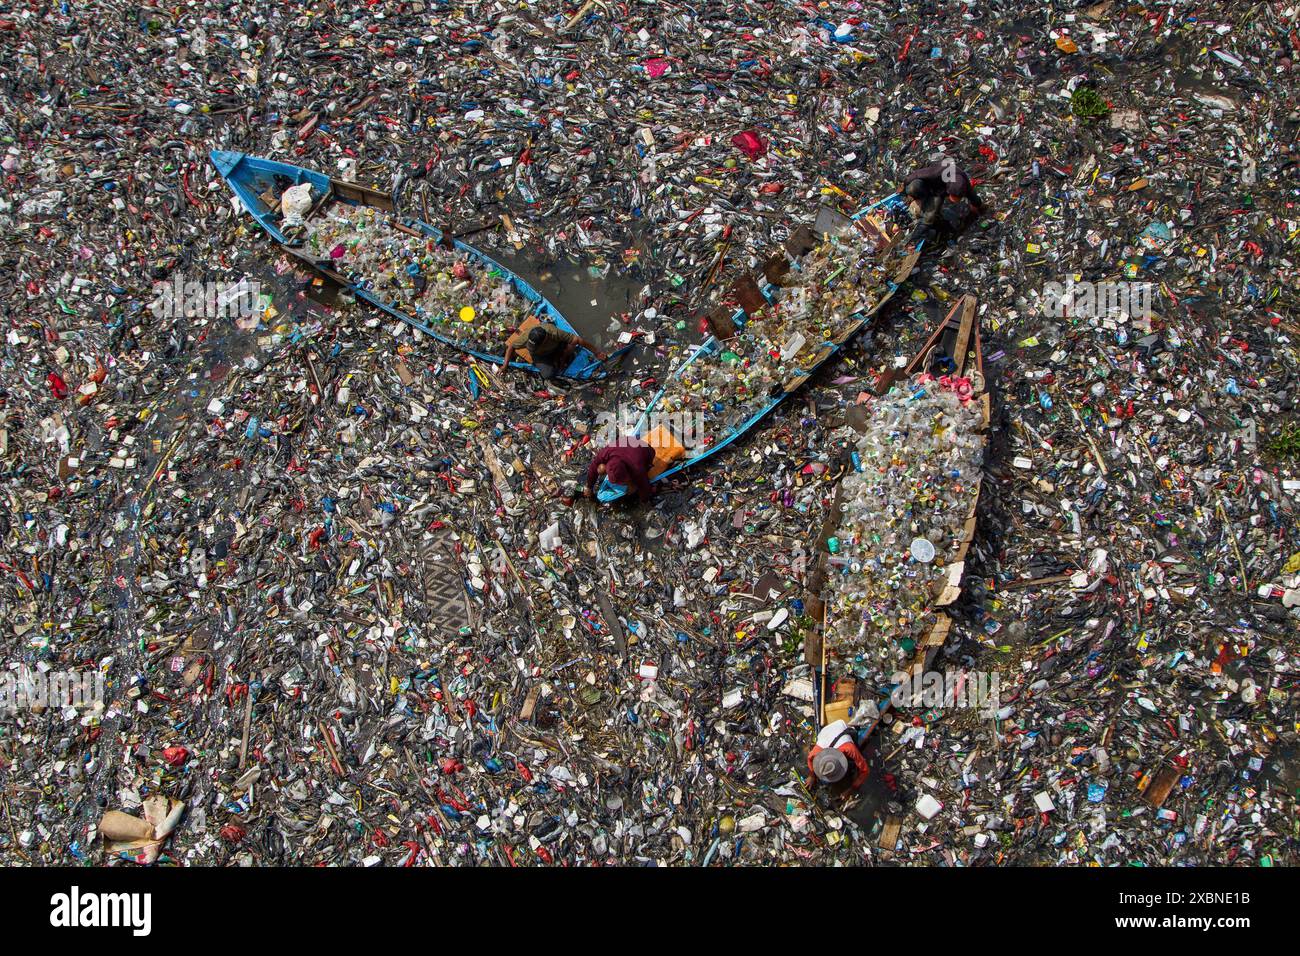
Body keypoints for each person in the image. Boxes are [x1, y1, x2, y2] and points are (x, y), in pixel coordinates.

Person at [900, 157, 984, 238]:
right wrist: (904, 190)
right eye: (953, 196)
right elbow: (916, 174)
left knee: (929, 216)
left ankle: (917, 236)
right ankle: (918, 199)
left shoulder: (963, 184)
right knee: (913, 187)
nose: (954, 200)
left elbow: (972, 196)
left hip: (937, 192)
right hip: (926, 185)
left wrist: (977, 205)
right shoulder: (937, 172)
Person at [501, 321, 604, 379]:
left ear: (546, 339)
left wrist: (597, 352)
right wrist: (505, 365)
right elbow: (511, 347)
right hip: (540, 356)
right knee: (548, 374)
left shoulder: (552, 332)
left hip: (557, 347)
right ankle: (556, 361)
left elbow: (578, 340)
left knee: (571, 347)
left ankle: (561, 358)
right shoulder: (526, 338)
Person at [584, 437, 656, 503]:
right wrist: (589, 487)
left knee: (636, 483)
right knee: (600, 468)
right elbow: (593, 467)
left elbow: (644, 486)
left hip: (646, 449)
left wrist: (643, 500)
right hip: (628, 442)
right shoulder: (605, 453)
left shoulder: (637, 468)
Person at [806, 718, 870, 790]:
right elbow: (809, 758)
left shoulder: (849, 748)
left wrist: (851, 789)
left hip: (842, 728)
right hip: (827, 731)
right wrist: (812, 775)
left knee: (852, 765)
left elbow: (865, 771)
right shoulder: (817, 751)